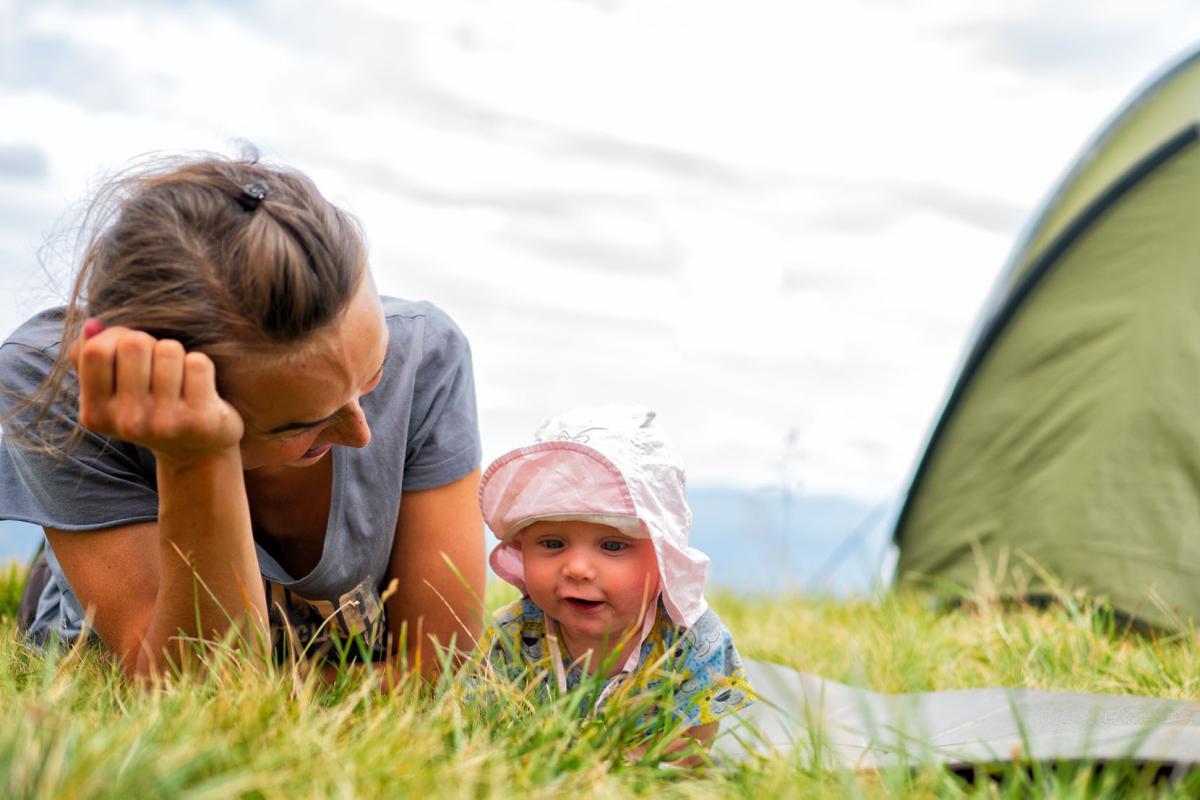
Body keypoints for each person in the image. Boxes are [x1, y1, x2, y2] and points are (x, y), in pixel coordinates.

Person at [1, 154, 485, 679]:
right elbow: (205, 692)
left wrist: (284, 688)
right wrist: (194, 458)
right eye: (297, 425)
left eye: (373, 374)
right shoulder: (46, 382)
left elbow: (436, 666)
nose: (362, 433)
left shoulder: (427, 353)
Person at [477, 405, 753, 755]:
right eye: (551, 543)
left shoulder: (694, 642)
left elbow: (687, 756)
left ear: (663, 554)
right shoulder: (513, 636)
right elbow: (485, 737)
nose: (577, 568)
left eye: (612, 545)